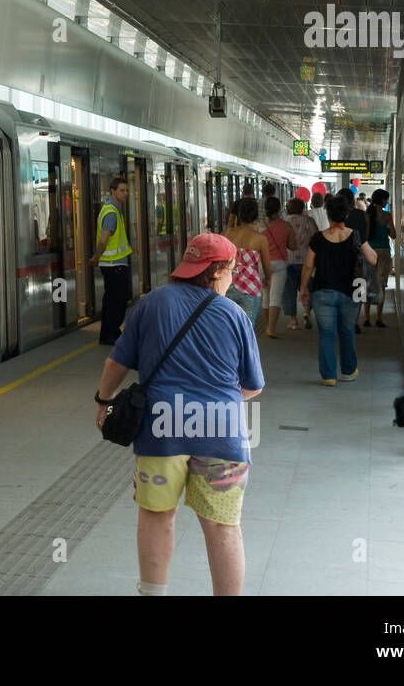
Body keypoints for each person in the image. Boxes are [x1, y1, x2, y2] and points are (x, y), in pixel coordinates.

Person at [95, 232, 264, 596]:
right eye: (232, 270)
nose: (233, 278)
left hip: (161, 429)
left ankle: (154, 593)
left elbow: (117, 362)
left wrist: (103, 399)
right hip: (223, 432)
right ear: (217, 271)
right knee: (223, 526)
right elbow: (253, 386)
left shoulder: (151, 302)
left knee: (157, 516)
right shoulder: (235, 315)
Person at [298, 195, 378, 385]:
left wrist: (303, 288)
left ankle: (329, 376)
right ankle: (349, 371)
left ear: (328, 214)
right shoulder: (356, 235)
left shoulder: (318, 238)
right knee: (347, 330)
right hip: (352, 291)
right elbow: (373, 259)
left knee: (326, 334)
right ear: (346, 214)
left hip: (323, 292)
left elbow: (308, 267)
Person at [91, 175, 133, 345]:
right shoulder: (111, 212)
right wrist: (96, 256)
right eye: (122, 190)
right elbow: (104, 239)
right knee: (117, 300)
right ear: (112, 191)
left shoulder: (114, 209)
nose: (126, 194)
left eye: (127, 190)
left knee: (113, 299)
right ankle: (110, 333)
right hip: (113, 264)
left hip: (114, 263)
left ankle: (110, 332)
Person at [224, 199, 269, 326]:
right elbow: (267, 267)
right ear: (256, 215)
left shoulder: (227, 234)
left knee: (228, 329)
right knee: (246, 330)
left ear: (239, 214)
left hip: (227, 285)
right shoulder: (260, 239)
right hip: (250, 287)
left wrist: (231, 219)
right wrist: (267, 279)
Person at [259, 196, 296, 338]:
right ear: (279, 209)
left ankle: (267, 323)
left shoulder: (259, 226)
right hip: (279, 263)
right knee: (276, 296)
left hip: (262, 263)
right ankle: (271, 328)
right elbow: (293, 246)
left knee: (266, 295)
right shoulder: (286, 226)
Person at [338, 189, 371, 335]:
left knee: (342, 287)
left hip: (341, 255)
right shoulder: (362, 214)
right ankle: (354, 321)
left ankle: (343, 320)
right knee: (358, 289)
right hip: (359, 255)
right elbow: (366, 235)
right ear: (352, 200)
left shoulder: (338, 215)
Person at [283, 198, 318, 330]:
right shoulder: (310, 221)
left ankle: (293, 320)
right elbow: (316, 238)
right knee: (307, 288)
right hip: (307, 261)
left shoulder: (285, 222)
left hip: (288, 260)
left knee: (289, 291)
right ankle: (306, 312)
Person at [363, 188, 396, 327]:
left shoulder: (366, 215)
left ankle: (366, 318)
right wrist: (388, 225)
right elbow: (393, 235)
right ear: (382, 200)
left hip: (368, 251)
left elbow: (365, 235)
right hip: (383, 253)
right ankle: (379, 318)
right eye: (386, 199)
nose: (386, 201)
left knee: (367, 283)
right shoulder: (387, 216)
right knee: (381, 285)